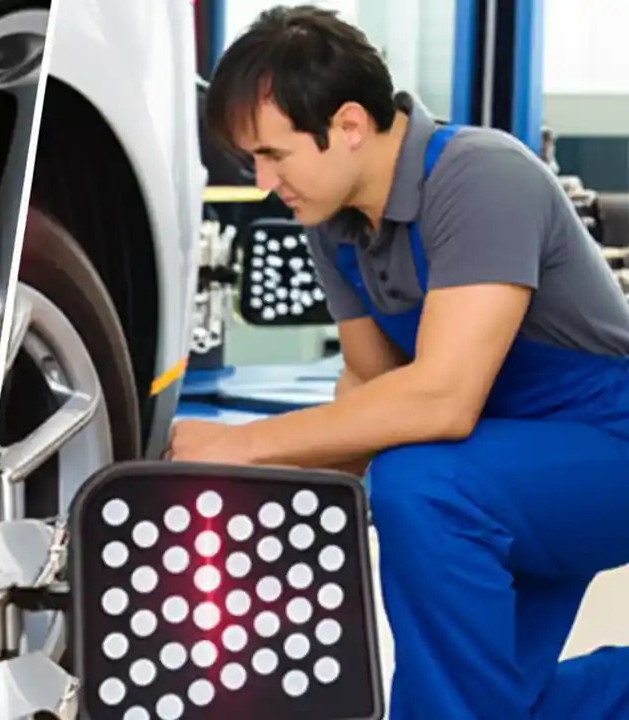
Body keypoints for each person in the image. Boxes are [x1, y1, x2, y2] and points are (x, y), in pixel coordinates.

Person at [168, 6, 629, 719]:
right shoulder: (335, 221)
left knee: (420, 481)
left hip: (605, 446)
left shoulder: (482, 178)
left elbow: (440, 400)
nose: (262, 181)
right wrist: (238, 482)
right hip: (502, 465)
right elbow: (371, 390)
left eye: (274, 155)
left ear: (349, 126)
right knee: (503, 703)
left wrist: (240, 445)